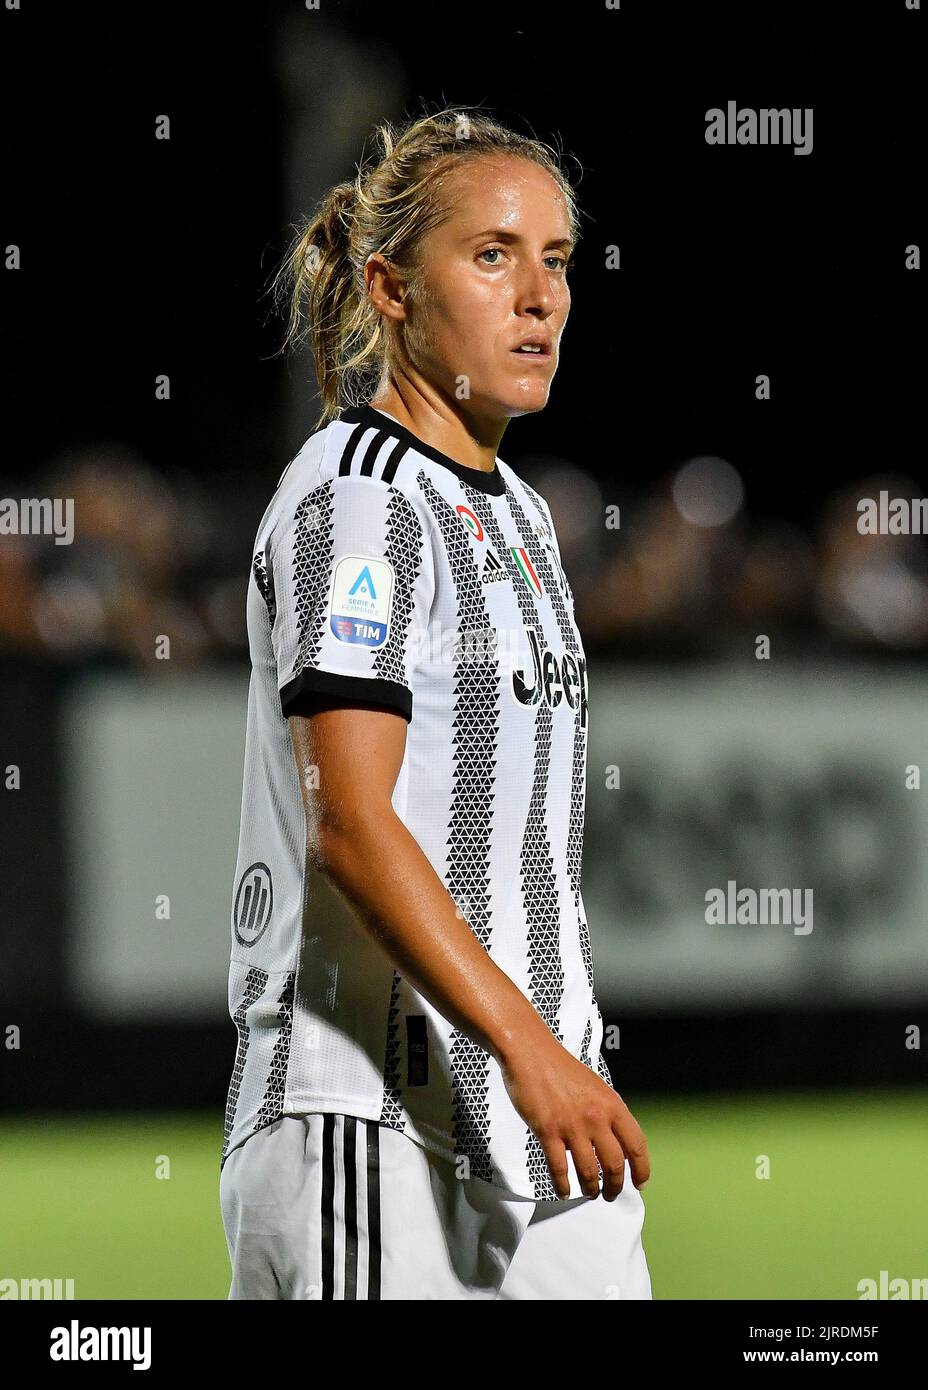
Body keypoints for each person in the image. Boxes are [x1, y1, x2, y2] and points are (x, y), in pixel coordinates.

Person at [219, 104, 652, 1300]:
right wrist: (527, 1048)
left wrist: (552, 1057)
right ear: (391, 288)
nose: (539, 297)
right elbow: (350, 822)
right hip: (369, 1113)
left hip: (541, 1117)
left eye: (556, 258)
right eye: (493, 253)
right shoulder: (358, 498)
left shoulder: (518, 511)